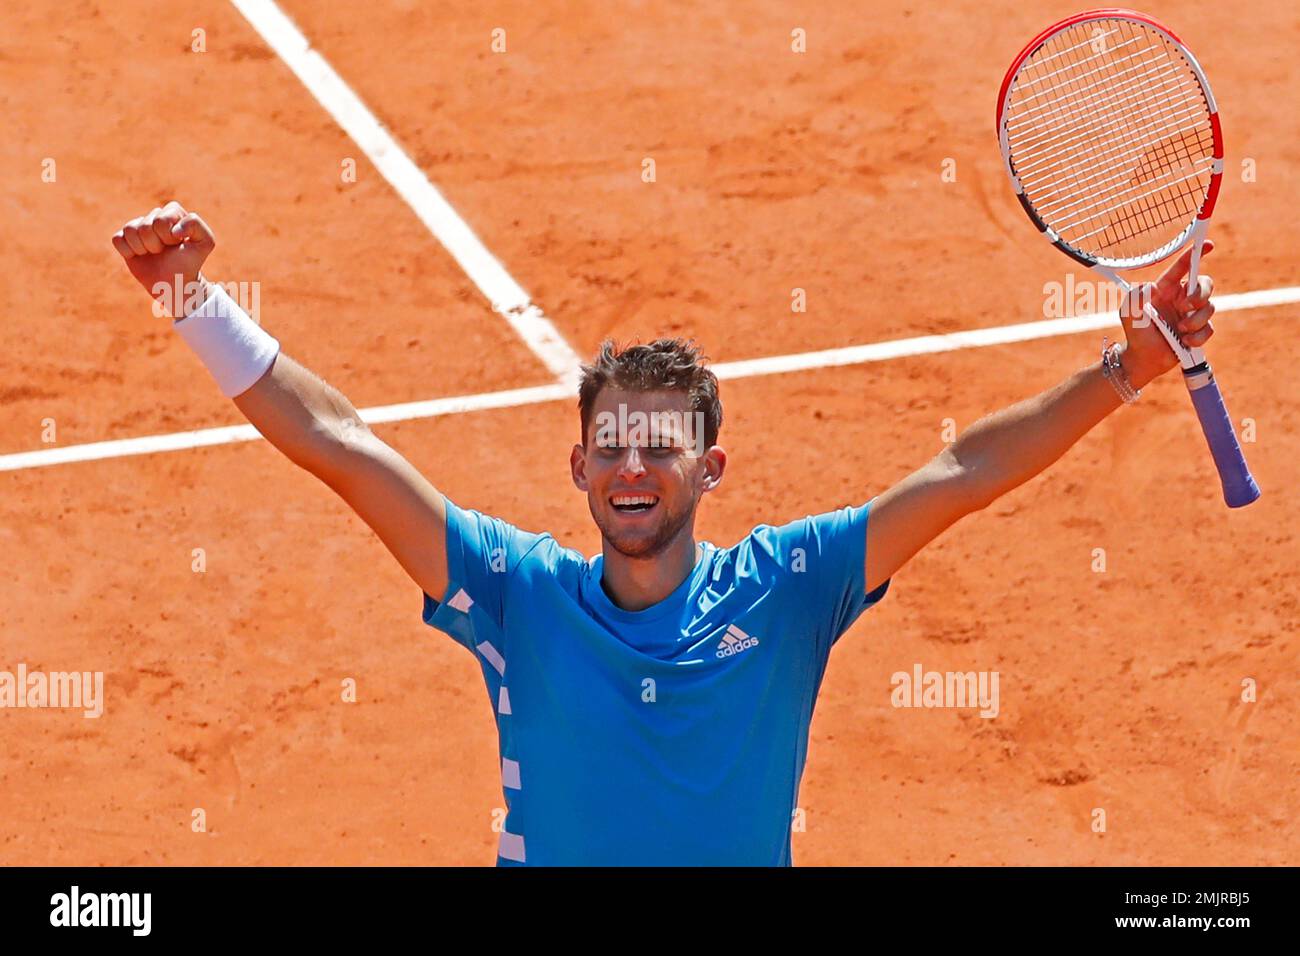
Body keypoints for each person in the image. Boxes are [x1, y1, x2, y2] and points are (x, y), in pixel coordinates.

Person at [112, 201, 1217, 865]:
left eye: (660, 445)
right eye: (613, 444)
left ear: (710, 467)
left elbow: (962, 470)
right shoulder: (516, 593)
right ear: (580, 465)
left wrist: (1127, 367)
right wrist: (191, 301)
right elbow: (342, 443)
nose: (633, 465)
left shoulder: (790, 586)